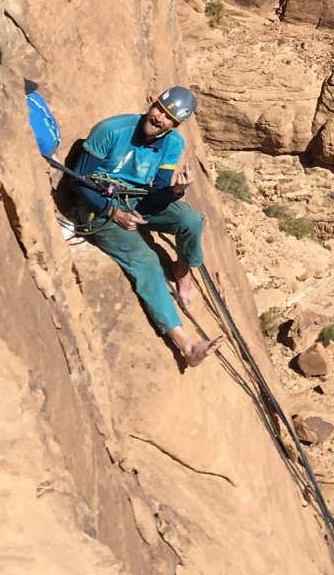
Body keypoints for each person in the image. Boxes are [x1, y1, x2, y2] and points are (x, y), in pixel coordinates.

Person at [72, 87, 223, 368]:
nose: (159, 119)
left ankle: (182, 269)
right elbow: (78, 181)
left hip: (138, 199)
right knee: (146, 261)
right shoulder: (111, 130)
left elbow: (159, 193)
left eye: (168, 118)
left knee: (190, 221)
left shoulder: (172, 144)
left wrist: (177, 190)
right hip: (97, 202)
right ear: (152, 104)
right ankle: (187, 345)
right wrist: (113, 212)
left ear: (175, 125)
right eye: (159, 110)